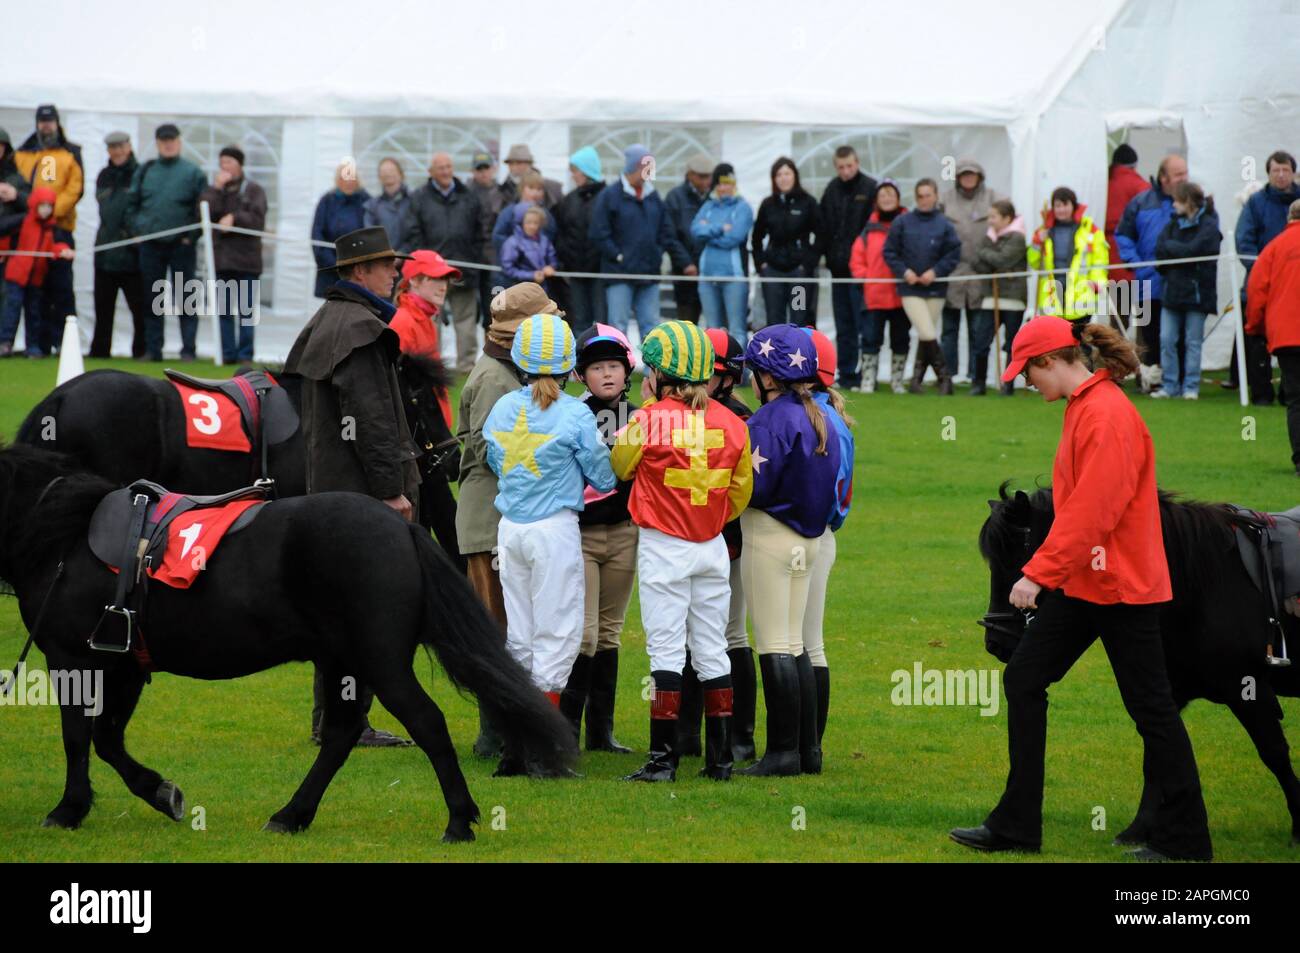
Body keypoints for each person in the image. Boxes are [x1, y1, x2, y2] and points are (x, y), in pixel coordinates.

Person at [951, 317, 1213, 862]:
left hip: (1119, 586)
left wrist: (1038, 574)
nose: (1026, 383)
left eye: (1027, 371)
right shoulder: (1086, 407)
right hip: (1088, 582)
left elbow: (1095, 511)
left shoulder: (1106, 413)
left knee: (1152, 711)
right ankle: (1016, 824)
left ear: (1051, 360)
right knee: (1024, 679)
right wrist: (1055, 572)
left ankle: (1187, 840)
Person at [283, 225, 419, 748]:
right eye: (387, 266)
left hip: (331, 493)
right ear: (360, 272)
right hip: (361, 498)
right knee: (360, 610)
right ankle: (345, 721)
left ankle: (337, 720)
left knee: (339, 610)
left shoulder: (331, 320)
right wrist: (390, 490)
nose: (396, 274)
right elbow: (373, 421)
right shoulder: (360, 328)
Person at [612, 321, 752, 783]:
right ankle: (721, 761)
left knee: (666, 651)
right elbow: (739, 495)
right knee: (713, 649)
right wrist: (705, 518)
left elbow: (620, 466)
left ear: (660, 375)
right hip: (711, 545)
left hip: (663, 545)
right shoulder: (733, 422)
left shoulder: (645, 419)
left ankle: (662, 761)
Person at [484, 313, 616, 776]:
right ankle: (546, 753)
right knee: (557, 634)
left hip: (511, 530)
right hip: (555, 529)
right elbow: (603, 474)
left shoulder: (502, 408)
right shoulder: (576, 412)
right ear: (569, 367)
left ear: (519, 362)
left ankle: (515, 748)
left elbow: (496, 462)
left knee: (519, 636)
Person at [455, 282, 560, 756]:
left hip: (500, 517)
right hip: (490, 521)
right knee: (498, 630)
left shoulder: (504, 371)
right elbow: (482, 448)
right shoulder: (496, 379)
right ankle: (493, 735)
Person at [738, 324, 840, 776]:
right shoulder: (820, 415)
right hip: (810, 540)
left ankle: (781, 754)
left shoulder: (767, 420)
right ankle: (806, 752)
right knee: (798, 643)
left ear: (769, 376)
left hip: (771, 535)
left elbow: (752, 488)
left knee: (776, 642)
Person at [676, 328, 758, 761]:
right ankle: (688, 736)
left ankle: (738, 738)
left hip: (725, 539)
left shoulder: (739, 418)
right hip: (691, 536)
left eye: (703, 375)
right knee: (688, 635)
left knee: (729, 635)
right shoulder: (684, 411)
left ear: (725, 378)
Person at [559, 324, 639, 753]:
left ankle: (600, 734)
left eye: (614, 366)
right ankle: (565, 732)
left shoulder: (642, 417)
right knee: (584, 635)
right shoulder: (573, 416)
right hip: (582, 536)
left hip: (625, 534)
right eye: (597, 368)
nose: (607, 374)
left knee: (610, 633)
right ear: (580, 375)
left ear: (627, 372)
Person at [798, 327, 855, 771]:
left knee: (795, 642)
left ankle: (800, 747)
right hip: (826, 534)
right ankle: (808, 747)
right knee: (810, 642)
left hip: (803, 535)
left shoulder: (805, 417)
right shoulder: (833, 415)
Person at [390, 250, 463, 565]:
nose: (443, 284)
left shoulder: (423, 318)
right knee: (446, 532)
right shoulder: (405, 322)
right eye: (435, 277)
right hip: (420, 449)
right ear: (414, 280)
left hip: (430, 444)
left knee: (440, 530)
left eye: (445, 278)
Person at [127, 123, 207, 362]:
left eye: (172, 139)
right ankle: (153, 349)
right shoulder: (145, 171)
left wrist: (189, 237)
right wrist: (140, 230)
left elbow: (202, 209)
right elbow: (132, 205)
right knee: (153, 299)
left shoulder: (193, 172)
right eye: (163, 140)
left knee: (186, 299)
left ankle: (188, 349)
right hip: (151, 245)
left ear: (179, 141)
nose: (168, 143)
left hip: (181, 246)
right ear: (158, 143)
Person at [589, 144, 685, 338]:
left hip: (649, 274)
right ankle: (618, 367)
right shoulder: (609, 196)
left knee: (651, 329)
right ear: (634, 167)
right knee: (618, 327)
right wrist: (618, 256)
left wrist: (656, 255)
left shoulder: (653, 196)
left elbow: (665, 231)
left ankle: (653, 369)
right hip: (619, 275)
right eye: (646, 167)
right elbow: (598, 233)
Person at [402, 152, 483, 373]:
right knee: (431, 318)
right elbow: (413, 233)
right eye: (440, 168)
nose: (446, 171)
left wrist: (473, 260)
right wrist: (426, 264)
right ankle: (432, 364)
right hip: (430, 273)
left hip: (464, 270)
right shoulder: (419, 198)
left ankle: (467, 367)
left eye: (448, 167)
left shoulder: (469, 196)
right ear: (431, 172)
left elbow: (480, 232)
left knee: (466, 321)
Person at [13, 105, 82, 356]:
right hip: (30, 232)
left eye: (50, 121)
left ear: (57, 123)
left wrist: (50, 212)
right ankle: (39, 344)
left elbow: (75, 189)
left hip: (59, 230)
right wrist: (33, 214)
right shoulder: (22, 154)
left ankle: (67, 343)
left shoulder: (71, 154)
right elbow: (17, 187)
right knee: (35, 290)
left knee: (62, 288)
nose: (46, 126)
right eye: (42, 121)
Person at [1116, 154, 1189, 392]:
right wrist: (1138, 265)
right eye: (1178, 174)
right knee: (1150, 333)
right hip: (1148, 283)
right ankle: (1153, 379)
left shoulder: (1193, 201)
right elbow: (1123, 236)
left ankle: (1179, 380)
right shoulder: (1140, 202)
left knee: (1179, 335)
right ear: (1164, 177)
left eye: (1185, 173)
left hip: (1180, 281)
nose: (1184, 178)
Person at [882, 178, 962, 394]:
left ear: (935, 195)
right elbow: (889, 251)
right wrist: (905, 272)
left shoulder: (945, 224)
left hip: (935, 288)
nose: (924, 199)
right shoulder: (903, 222)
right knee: (927, 332)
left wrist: (935, 272)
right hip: (910, 289)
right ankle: (945, 378)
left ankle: (916, 380)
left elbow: (953, 253)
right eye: (920, 196)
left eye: (928, 195)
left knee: (926, 334)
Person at [1236, 150, 1299, 402]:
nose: (1281, 175)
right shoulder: (1256, 203)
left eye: (1285, 170)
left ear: (1293, 172)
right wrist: (1265, 272)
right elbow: (1244, 241)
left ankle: (1287, 393)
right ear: (1268, 173)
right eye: (1276, 170)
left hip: (1282, 286)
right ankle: (1261, 393)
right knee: (1256, 343)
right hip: (1264, 281)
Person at [1245, 199, 1300, 473]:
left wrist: (1254, 327)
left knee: (1296, 398)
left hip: (1288, 336)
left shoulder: (1274, 247)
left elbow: (1256, 290)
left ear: (1289, 217)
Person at [1152, 182, 1220, 400]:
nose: (1173, 204)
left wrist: (1175, 251)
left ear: (1188, 201)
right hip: (1172, 292)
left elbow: (1194, 251)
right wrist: (1180, 254)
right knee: (1166, 339)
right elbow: (1160, 250)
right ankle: (1169, 385)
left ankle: (1191, 386)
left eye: (1177, 200)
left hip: (1197, 294)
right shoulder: (1171, 226)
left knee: (1193, 342)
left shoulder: (1209, 225)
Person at [200, 144, 267, 364]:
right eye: (222, 163)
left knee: (246, 313)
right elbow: (203, 213)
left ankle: (245, 355)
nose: (224, 167)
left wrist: (235, 218)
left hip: (247, 262)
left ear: (239, 164)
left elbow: (258, 220)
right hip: (222, 261)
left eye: (229, 162)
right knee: (224, 312)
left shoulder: (253, 190)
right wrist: (216, 189)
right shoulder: (216, 191)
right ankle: (227, 353)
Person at [940, 158, 1006, 383]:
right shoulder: (945, 198)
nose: (968, 178)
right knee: (949, 330)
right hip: (951, 272)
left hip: (982, 272)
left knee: (978, 330)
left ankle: (974, 376)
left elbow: (1008, 224)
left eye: (973, 174)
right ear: (958, 177)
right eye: (964, 174)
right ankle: (948, 374)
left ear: (980, 176)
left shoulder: (993, 197)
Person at [819, 145, 878, 390]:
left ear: (857, 162)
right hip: (837, 270)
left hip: (862, 272)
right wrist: (828, 256)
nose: (846, 171)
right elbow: (823, 226)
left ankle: (866, 375)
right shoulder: (832, 189)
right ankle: (846, 373)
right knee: (844, 326)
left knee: (864, 325)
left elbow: (872, 229)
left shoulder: (870, 187)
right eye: (841, 167)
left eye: (850, 166)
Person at [90, 131, 148, 359]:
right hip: (105, 251)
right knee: (103, 309)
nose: (117, 151)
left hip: (132, 254)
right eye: (112, 147)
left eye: (120, 146)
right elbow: (105, 209)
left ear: (129, 146)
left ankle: (141, 351)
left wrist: (135, 234)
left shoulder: (140, 173)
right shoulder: (104, 175)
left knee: (139, 308)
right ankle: (99, 352)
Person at [849, 179, 909, 393]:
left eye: (891, 194)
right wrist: (868, 278)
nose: (887, 198)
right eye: (882, 195)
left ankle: (897, 380)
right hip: (874, 295)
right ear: (876, 200)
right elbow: (856, 259)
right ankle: (868, 379)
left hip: (901, 294)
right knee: (871, 339)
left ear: (898, 198)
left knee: (901, 338)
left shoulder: (908, 223)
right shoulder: (868, 229)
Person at [0, 186, 74, 358]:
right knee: (12, 309)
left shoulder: (52, 227)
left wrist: (64, 250)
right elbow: (3, 230)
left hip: (36, 277)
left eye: (49, 206)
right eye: (43, 205)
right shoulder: (23, 221)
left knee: (34, 312)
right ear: (35, 204)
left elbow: (56, 244)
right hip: (17, 274)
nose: (46, 209)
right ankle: (5, 343)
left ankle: (32, 346)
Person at [752, 157, 821, 329]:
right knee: (774, 320)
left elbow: (821, 234)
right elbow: (756, 237)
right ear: (774, 179)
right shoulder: (768, 204)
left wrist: (808, 264)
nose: (783, 178)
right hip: (773, 272)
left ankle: (800, 354)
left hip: (799, 273)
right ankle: (776, 355)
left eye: (787, 173)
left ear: (795, 176)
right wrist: (762, 264)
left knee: (799, 319)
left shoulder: (808, 202)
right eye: (779, 174)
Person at [691, 163, 753, 343]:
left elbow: (735, 237)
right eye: (719, 184)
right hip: (707, 277)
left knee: (737, 330)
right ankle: (714, 371)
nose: (723, 188)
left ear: (734, 184)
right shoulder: (709, 206)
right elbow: (695, 230)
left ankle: (739, 371)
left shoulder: (743, 207)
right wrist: (720, 228)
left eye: (727, 183)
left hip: (733, 277)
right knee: (711, 330)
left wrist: (708, 233)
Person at [971, 199, 1028, 396]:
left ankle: (1008, 385)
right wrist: (995, 261)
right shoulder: (989, 236)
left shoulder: (1017, 238)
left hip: (1013, 298)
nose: (990, 221)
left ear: (1007, 218)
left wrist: (989, 255)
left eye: (994, 216)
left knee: (1011, 344)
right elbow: (978, 264)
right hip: (990, 296)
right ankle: (978, 384)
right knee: (981, 341)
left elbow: (1003, 259)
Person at [1027, 187, 1108, 323]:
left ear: (1073, 206)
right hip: (1051, 296)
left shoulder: (1090, 229)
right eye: (1058, 205)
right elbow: (1034, 263)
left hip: (1081, 294)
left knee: (1079, 339)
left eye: (1065, 205)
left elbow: (1099, 261)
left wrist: (1097, 284)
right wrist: (1037, 242)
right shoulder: (1043, 231)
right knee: (1055, 341)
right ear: (1052, 208)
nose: (1062, 209)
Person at [553, 146, 607, 335]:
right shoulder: (569, 201)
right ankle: (580, 362)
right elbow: (560, 232)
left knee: (602, 322)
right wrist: (566, 258)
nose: (573, 176)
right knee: (579, 321)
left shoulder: (606, 198)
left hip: (600, 272)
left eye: (575, 171)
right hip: (576, 272)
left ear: (586, 171)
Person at [663, 154, 712, 324]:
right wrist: (686, 263)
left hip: (710, 271)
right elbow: (669, 235)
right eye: (702, 176)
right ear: (690, 174)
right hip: (685, 274)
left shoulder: (715, 198)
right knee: (687, 324)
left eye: (709, 176)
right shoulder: (675, 198)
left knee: (715, 324)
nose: (706, 181)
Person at [311, 160, 369, 299]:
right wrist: (334, 264)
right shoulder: (327, 201)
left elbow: (369, 234)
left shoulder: (366, 201)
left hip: (358, 271)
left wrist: (357, 266)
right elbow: (317, 235)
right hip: (330, 270)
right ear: (337, 180)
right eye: (344, 177)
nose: (348, 182)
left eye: (352, 177)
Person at [1104, 144, 1146, 329]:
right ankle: (1142, 356)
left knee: (1118, 319)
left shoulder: (1104, 181)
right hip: (1135, 257)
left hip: (1109, 257)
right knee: (1145, 317)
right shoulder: (1140, 185)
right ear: (1134, 166)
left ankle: (1115, 356)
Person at [468, 152, 508, 327]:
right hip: (471, 259)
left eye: (486, 168)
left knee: (493, 309)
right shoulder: (466, 194)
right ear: (473, 171)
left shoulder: (502, 194)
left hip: (494, 260)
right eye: (479, 169)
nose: (483, 172)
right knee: (469, 311)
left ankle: (491, 349)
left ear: (494, 168)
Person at [492, 172, 557, 260]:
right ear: (522, 189)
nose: (535, 193)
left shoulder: (546, 215)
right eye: (531, 188)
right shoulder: (509, 212)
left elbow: (551, 236)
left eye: (539, 189)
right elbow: (498, 236)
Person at [363, 157, 411, 251]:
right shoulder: (372, 205)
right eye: (383, 171)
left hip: (410, 259)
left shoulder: (413, 201)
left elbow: (417, 234)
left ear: (400, 174)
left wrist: (402, 254)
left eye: (391, 170)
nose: (387, 174)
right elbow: (370, 235)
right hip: (382, 259)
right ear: (379, 177)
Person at [500, 143, 563, 210]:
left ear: (529, 164)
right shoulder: (501, 190)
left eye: (519, 163)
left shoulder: (552, 188)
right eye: (511, 163)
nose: (514, 167)